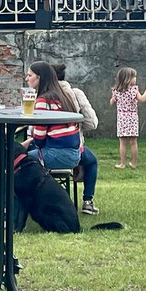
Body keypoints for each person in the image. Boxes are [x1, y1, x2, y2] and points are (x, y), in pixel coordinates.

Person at [0, 61, 84, 233]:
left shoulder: (43, 100)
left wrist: (27, 143)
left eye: (30, 75)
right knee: (17, 159)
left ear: (40, 78)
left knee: (10, 162)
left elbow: (40, 138)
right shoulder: (61, 94)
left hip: (56, 153)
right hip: (72, 152)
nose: (27, 79)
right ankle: (8, 208)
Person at [52, 62, 100, 214]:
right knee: (91, 161)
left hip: (44, 148)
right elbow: (92, 123)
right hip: (72, 149)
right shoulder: (75, 94)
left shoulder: (38, 96)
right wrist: (74, 130)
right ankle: (87, 201)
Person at [110, 67, 146, 169]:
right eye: (134, 77)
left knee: (122, 142)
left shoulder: (116, 90)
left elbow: (111, 102)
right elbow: (142, 99)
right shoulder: (133, 90)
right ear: (128, 79)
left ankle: (122, 163)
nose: (135, 79)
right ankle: (133, 163)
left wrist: (113, 97)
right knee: (133, 142)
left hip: (121, 118)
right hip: (132, 117)